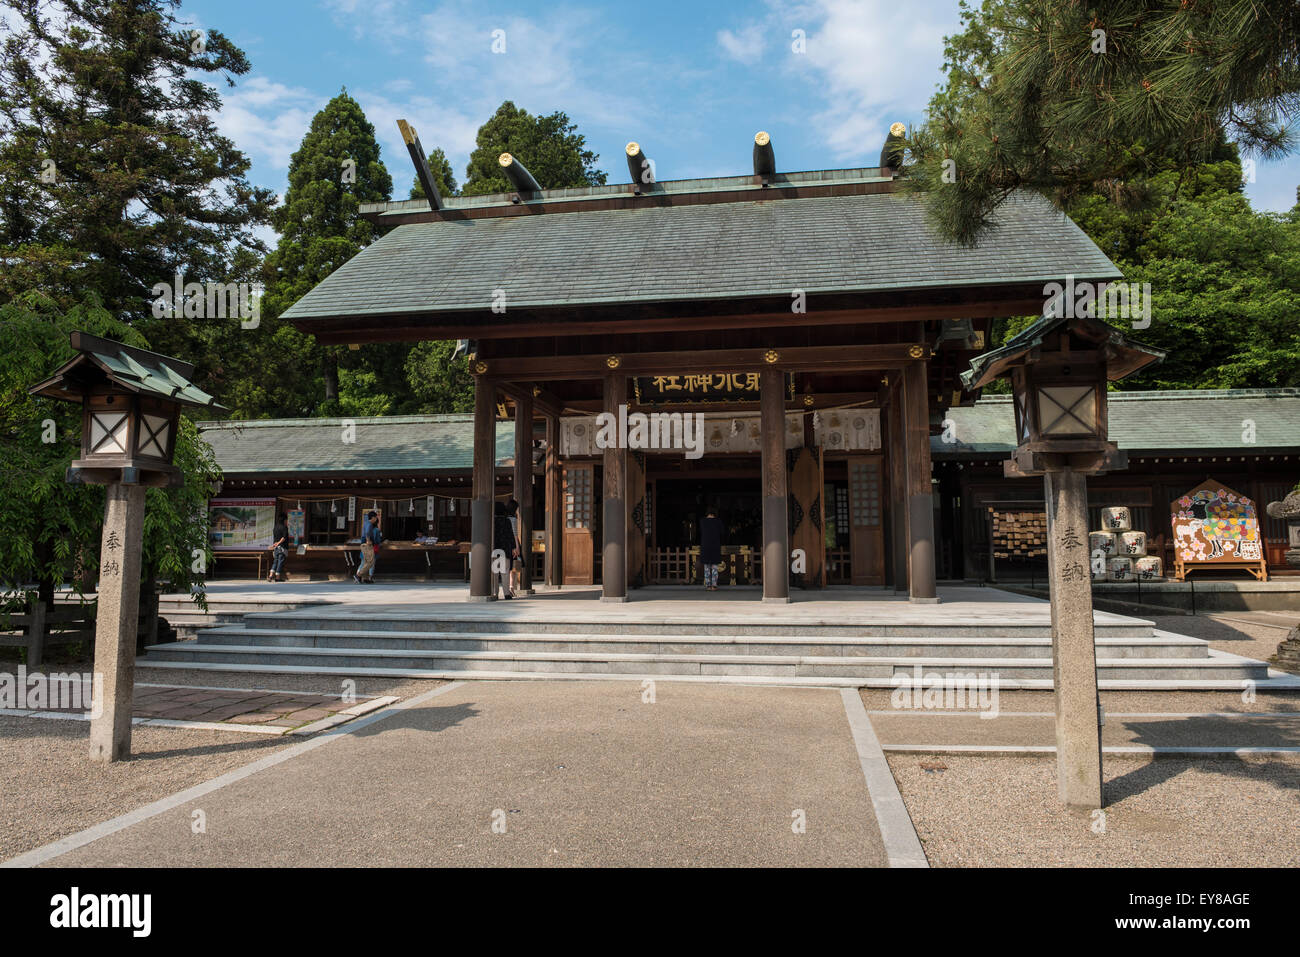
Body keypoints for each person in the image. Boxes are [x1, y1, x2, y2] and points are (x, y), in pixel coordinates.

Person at [492, 500, 517, 599]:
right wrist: (514, 547)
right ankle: (506, 593)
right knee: (505, 572)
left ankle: (495, 593)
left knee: (494, 572)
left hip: (494, 549)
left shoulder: (492, 521)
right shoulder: (507, 521)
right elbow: (511, 535)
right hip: (505, 549)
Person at [699, 507, 724, 592]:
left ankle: (708, 585)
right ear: (715, 513)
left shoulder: (702, 521)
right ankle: (714, 585)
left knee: (706, 567)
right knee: (714, 568)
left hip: (705, 546)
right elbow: (722, 532)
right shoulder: (718, 521)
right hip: (715, 546)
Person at [355, 510, 381, 583]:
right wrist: (368, 540)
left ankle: (365, 578)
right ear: (373, 517)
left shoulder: (366, 523)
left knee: (365, 561)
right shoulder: (369, 524)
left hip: (363, 544)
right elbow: (367, 533)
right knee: (370, 562)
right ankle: (358, 575)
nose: (376, 519)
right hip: (367, 544)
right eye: (375, 517)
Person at [506, 497, 524, 596]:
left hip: (506, 543)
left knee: (509, 566)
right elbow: (515, 534)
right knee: (513, 566)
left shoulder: (504, 518)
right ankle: (511, 587)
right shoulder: (513, 519)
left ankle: (509, 587)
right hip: (513, 543)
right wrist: (517, 547)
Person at [268, 513, 289, 583]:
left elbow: (275, 538)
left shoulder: (275, 527)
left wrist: (275, 544)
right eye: (286, 520)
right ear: (284, 520)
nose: (287, 521)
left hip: (276, 548)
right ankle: (277, 577)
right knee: (280, 562)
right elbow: (284, 538)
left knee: (275, 562)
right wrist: (278, 543)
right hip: (282, 548)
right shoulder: (284, 527)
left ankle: (270, 576)